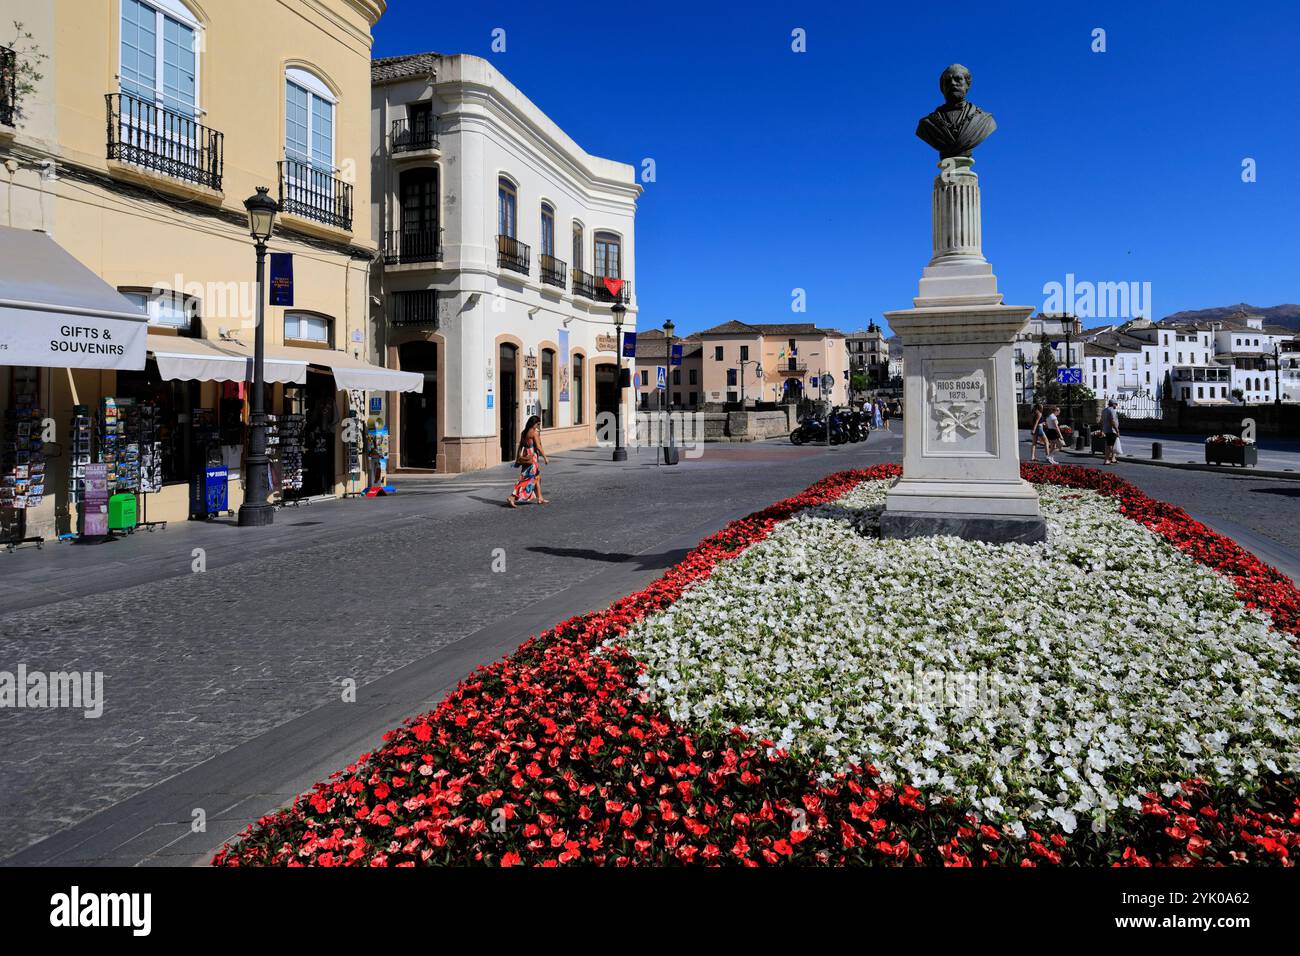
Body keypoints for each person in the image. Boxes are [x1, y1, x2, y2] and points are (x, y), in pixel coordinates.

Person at [507, 415, 550, 507]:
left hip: (526, 457)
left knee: (537, 477)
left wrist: (518, 457)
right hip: (532, 458)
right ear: (533, 423)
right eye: (538, 424)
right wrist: (545, 457)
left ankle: (540, 498)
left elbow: (520, 446)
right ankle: (512, 497)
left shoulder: (523, 432)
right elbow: (538, 447)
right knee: (526, 479)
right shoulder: (534, 433)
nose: (538, 426)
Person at [1100, 399, 1121, 465]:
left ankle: (1113, 459)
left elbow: (1101, 421)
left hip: (1106, 429)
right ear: (1113, 404)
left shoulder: (1104, 410)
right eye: (1116, 404)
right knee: (1110, 446)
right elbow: (1112, 421)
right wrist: (1117, 429)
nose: (1116, 406)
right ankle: (1106, 460)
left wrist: (1102, 430)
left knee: (1109, 445)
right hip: (1111, 430)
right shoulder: (1112, 410)